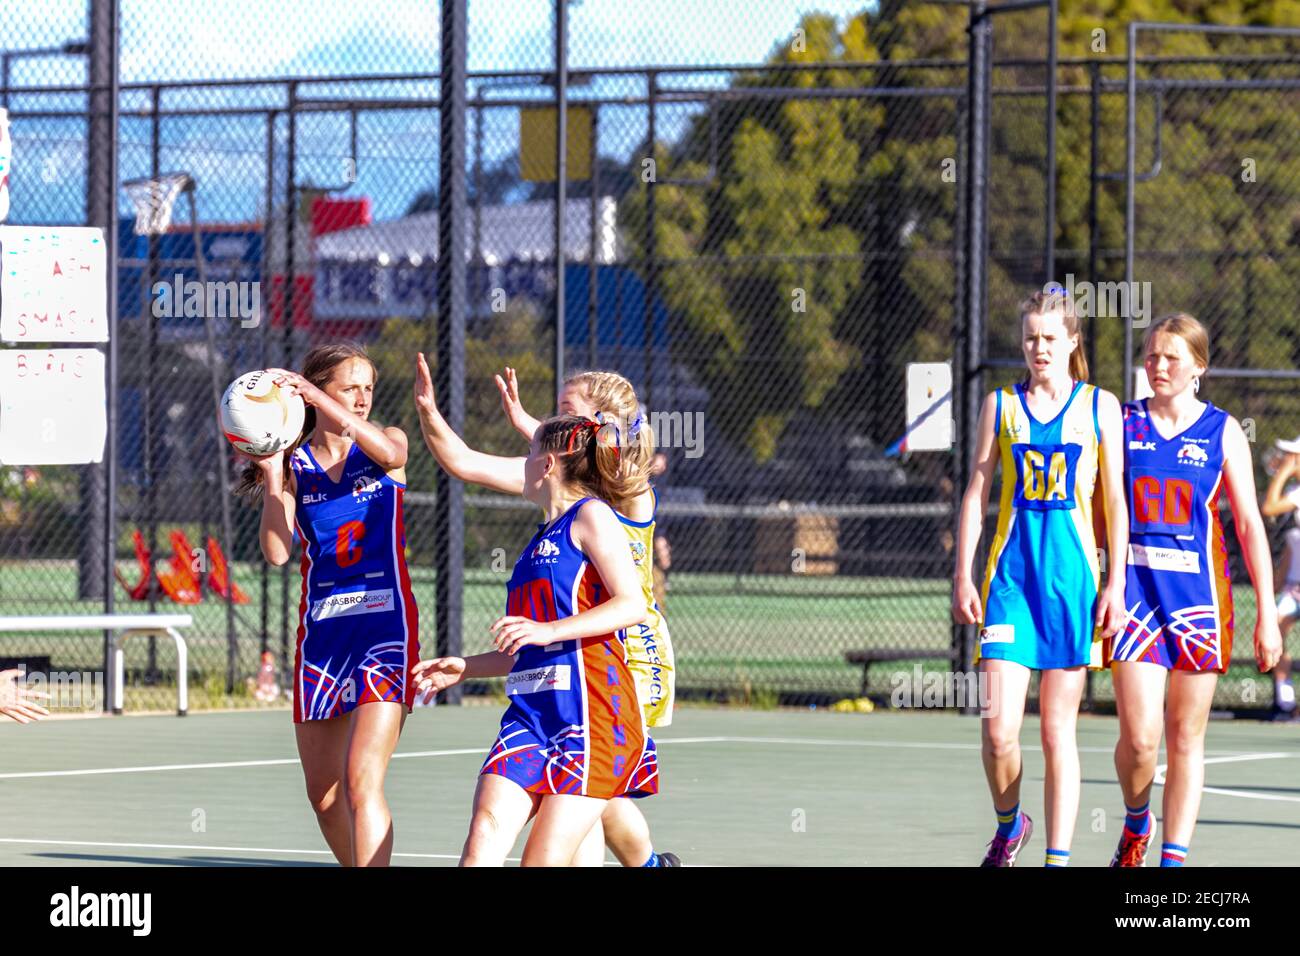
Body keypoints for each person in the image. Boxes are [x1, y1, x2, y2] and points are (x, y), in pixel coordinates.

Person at [413, 357, 678, 867]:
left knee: (592, 792)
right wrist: (428, 409)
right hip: (553, 668)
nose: (542, 418)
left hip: (629, 654)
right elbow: (464, 461)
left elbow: (628, 604)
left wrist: (544, 434)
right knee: (586, 804)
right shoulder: (554, 509)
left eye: (564, 410)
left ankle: (644, 863)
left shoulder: (621, 494)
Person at [952, 290, 1128, 867]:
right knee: (999, 731)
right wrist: (962, 574)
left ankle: (1058, 859)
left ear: (1073, 342)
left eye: (1051, 338)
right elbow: (978, 493)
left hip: (1072, 586)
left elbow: (1116, 505)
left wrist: (1115, 585)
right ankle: (1010, 825)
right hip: (1010, 587)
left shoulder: (1100, 407)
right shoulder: (1000, 406)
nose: (1039, 348)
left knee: (1057, 734)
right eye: (1031, 338)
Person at [1108, 314, 1283, 867]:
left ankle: (1172, 863)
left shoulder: (1222, 431)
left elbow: (1251, 526)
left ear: (1198, 368)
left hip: (1198, 603)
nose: (1158, 366)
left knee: (1186, 736)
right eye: (1152, 355)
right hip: (1135, 594)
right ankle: (1138, 821)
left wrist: (1268, 615)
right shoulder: (1120, 421)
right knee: (1140, 742)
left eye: (1172, 358)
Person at [238, 343, 418, 867]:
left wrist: (317, 396)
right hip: (323, 635)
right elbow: (276, 552)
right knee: (325, 796)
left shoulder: (386, 444)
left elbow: (395, 456)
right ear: (319, 396)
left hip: (386, 629)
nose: (361, 398)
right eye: (349, 388)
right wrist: (274, 475)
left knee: (363, 783)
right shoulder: (296, 464)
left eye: (367, 388)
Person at [1259, 438, 1300, 719]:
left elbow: (1269, 507)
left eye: (1292, 455)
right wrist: (1278, 579)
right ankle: (1284, 698)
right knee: (1274, 629)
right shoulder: (1296, 492)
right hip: (1294, 587)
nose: (1286, 458)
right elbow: (1291, 544)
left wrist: (1284, 470)